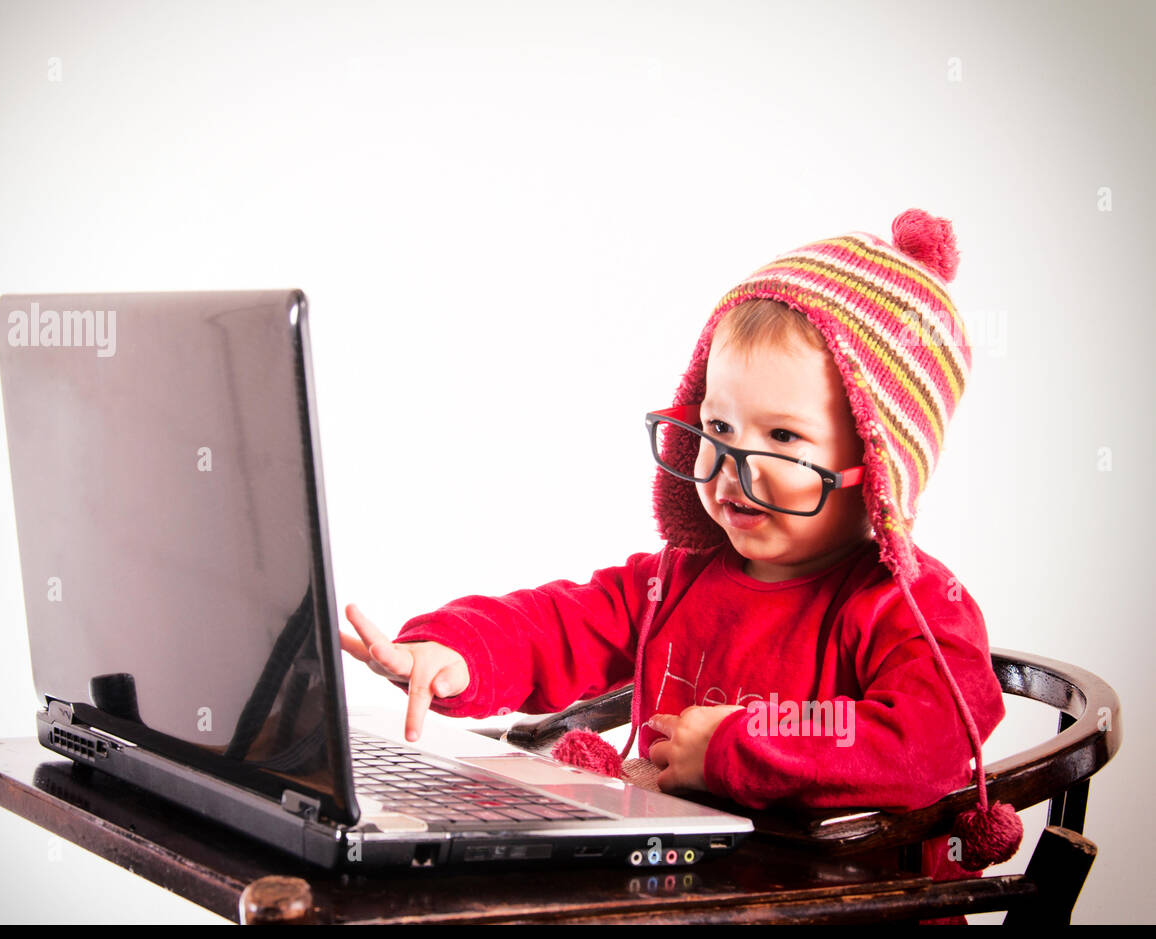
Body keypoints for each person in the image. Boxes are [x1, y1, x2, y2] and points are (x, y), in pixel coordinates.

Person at [340, 209, 1022, 901]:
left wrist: (738, 745)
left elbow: (923, 738)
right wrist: (452, 652)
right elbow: (559, 621)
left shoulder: (905, 604)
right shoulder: (677, 581)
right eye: (719, 426)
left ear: (880, 465)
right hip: (687, 889)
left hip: (844, 905)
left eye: (783, 436)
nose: (733, 465)